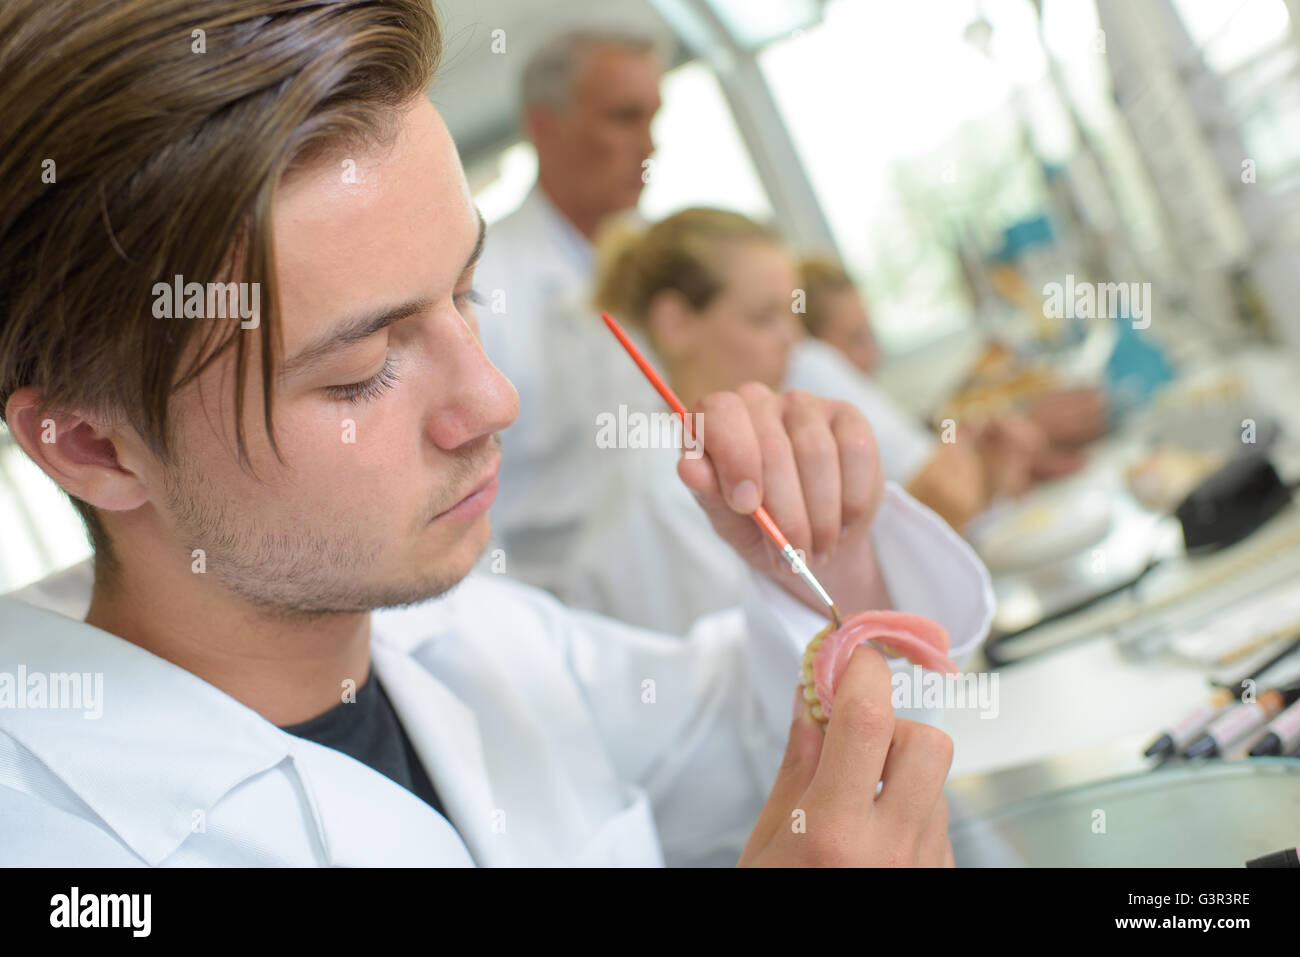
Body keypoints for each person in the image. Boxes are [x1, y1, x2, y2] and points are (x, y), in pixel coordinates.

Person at [0, 0, 992, 867]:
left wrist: (826, 561)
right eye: (359, 372)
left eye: (466, 294)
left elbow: (740, 749)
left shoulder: (475, 635)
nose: (491, 398)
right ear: (93, 447)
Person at [562, 209, 995, 646]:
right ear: (676, 324)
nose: (791, 339)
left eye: (792, 313)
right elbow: (763, 672)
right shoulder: (658, 494)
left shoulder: (780, 425)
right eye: (763, 317)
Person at [470, 29, 663, 593]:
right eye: (624, 118)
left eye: (655, 116)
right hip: (561, 608)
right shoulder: (484, 283)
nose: (650, 144)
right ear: (543, 129)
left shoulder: (668, 263)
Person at [794, 256, 1062, 531]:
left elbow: (958, 509)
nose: (875, 354)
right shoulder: (813, 369)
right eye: (857, 339)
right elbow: (946, 502)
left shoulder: (884, 420)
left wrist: (990, 459)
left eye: (870, 334)